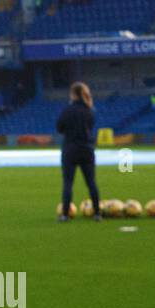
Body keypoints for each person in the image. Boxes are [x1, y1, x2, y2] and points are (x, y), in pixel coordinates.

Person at [56, 81, 100, 222]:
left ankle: (65, 214)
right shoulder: (90, 109)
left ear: (73, 94)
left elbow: (59, 127)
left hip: (70, 149)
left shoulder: (68, 110)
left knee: (68, 183)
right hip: (87, 149)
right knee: (91, 182)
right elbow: (91, 125)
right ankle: (97, 213)